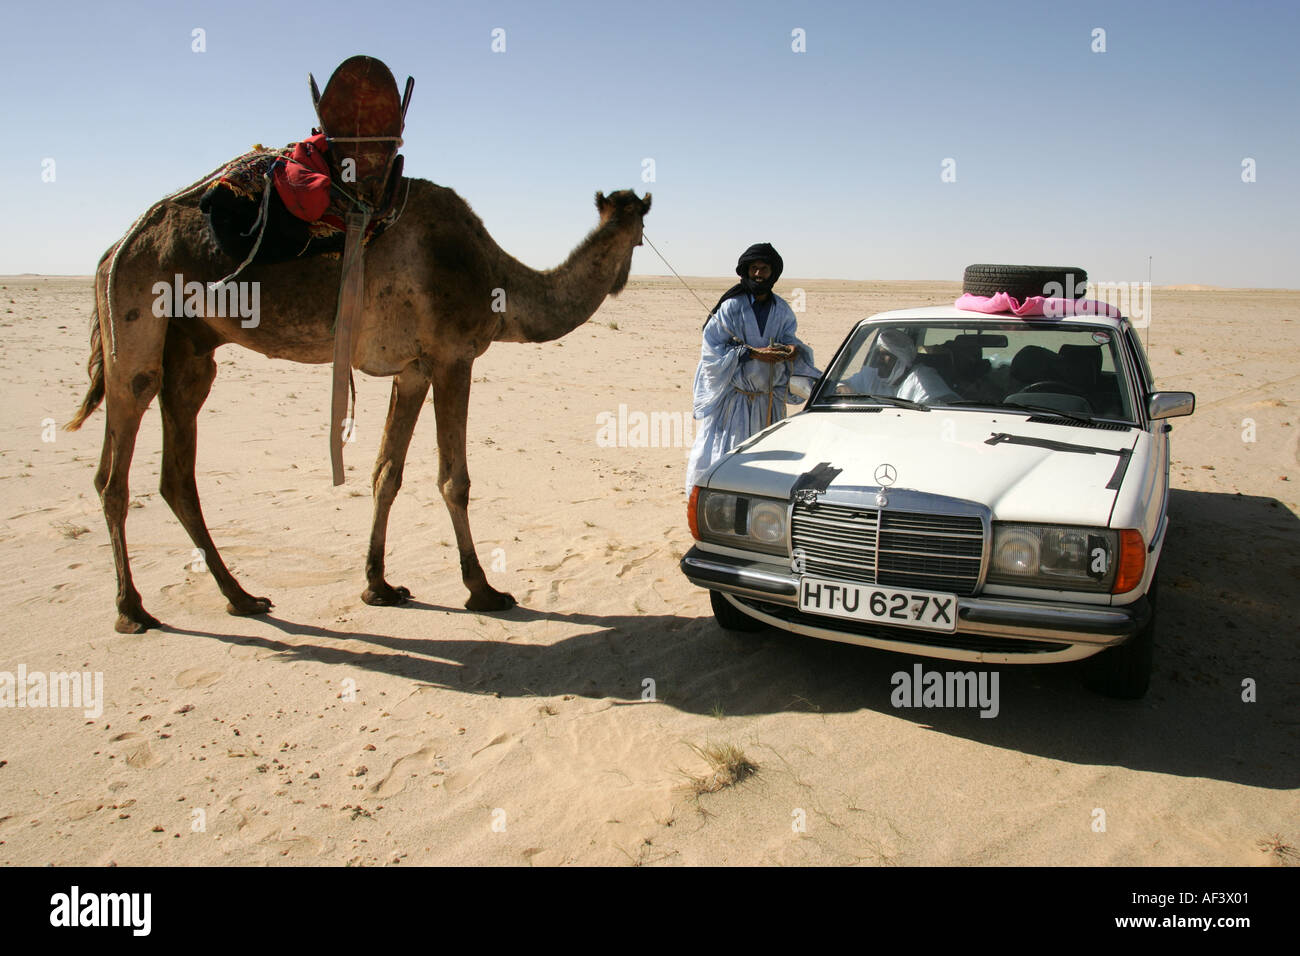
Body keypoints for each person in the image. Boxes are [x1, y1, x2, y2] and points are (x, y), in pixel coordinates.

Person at [684, 243, 820, 492]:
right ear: (746, 272)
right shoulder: (731, 307)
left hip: (769, 401)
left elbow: (790, 338)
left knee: (769, 465)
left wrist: (793, 350)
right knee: (729, 461)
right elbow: (712, 349)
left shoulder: (782, 310)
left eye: (764, 269)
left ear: (773, 273)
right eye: (754, 268)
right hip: (736, 402)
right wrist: (752, 353)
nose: (758, 274)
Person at [835, 328, 959, 404]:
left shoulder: (921, 378)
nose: (878, 361)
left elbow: (941, 405)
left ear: (901, 359)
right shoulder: (870, 374)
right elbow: (844, 386)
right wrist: (842, 388)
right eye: (877, 354)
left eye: (885, 355)